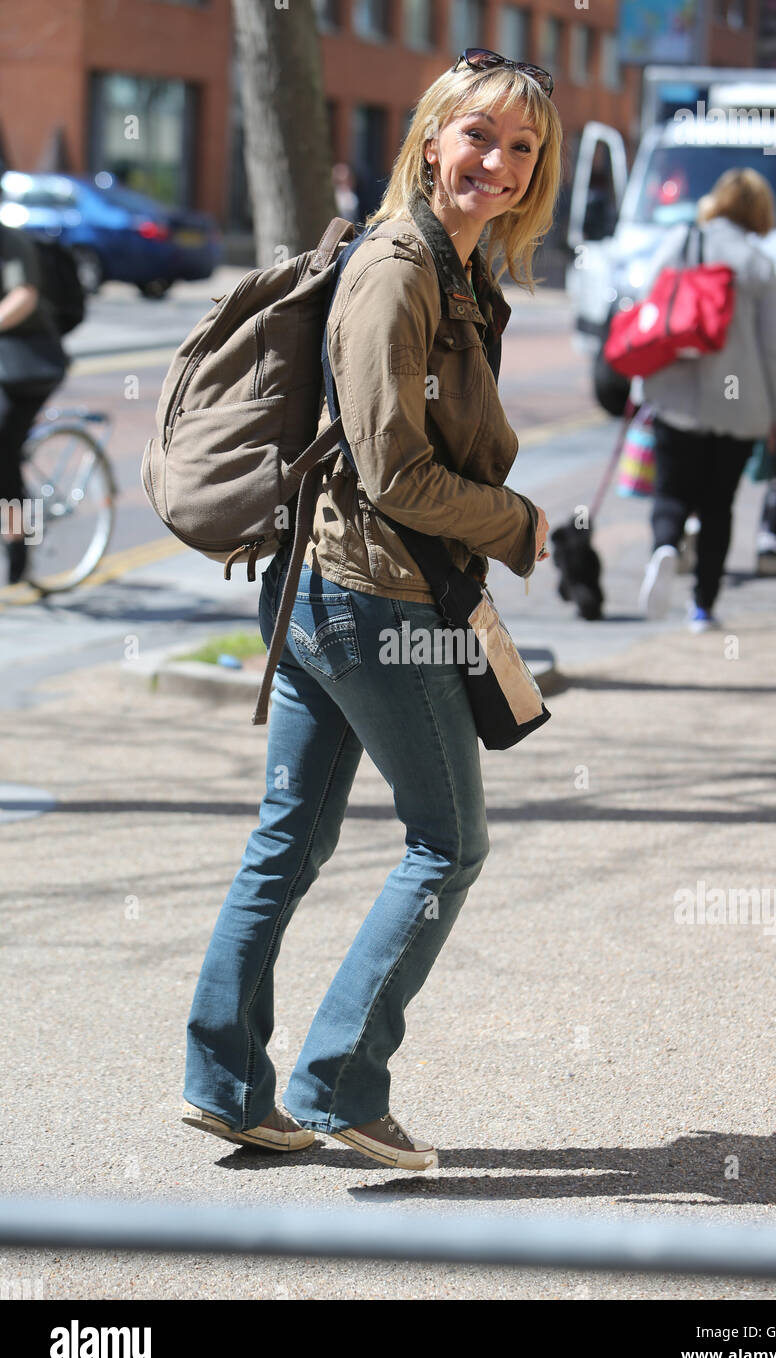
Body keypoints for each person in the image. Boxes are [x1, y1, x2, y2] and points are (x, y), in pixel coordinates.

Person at [182, 50, 561, 1171]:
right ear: (432, 136)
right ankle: (340, 1082)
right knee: (448, 844)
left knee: (287, 841)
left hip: (327, 591)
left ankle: (227, 1085)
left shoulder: (451, 266)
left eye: (522, 148)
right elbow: (396, 476)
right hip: (370, 599)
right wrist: (517, 523)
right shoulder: (399, 266)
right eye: (479, 137)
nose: (496, 163)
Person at [637, 168, 776, 632]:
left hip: (675, 394)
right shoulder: (759, 265)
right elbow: (774, 349)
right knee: (719, 504)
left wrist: (638, 383)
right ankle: (702, 607)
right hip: (739, 406)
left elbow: (648, 308)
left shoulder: (682, 242)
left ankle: (665, 547)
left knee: (670, 491)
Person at [0, 224, 69, 585]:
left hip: (28, 363)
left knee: (2, 440)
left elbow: (23, 294)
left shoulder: (11, 242)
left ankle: (17, 535)